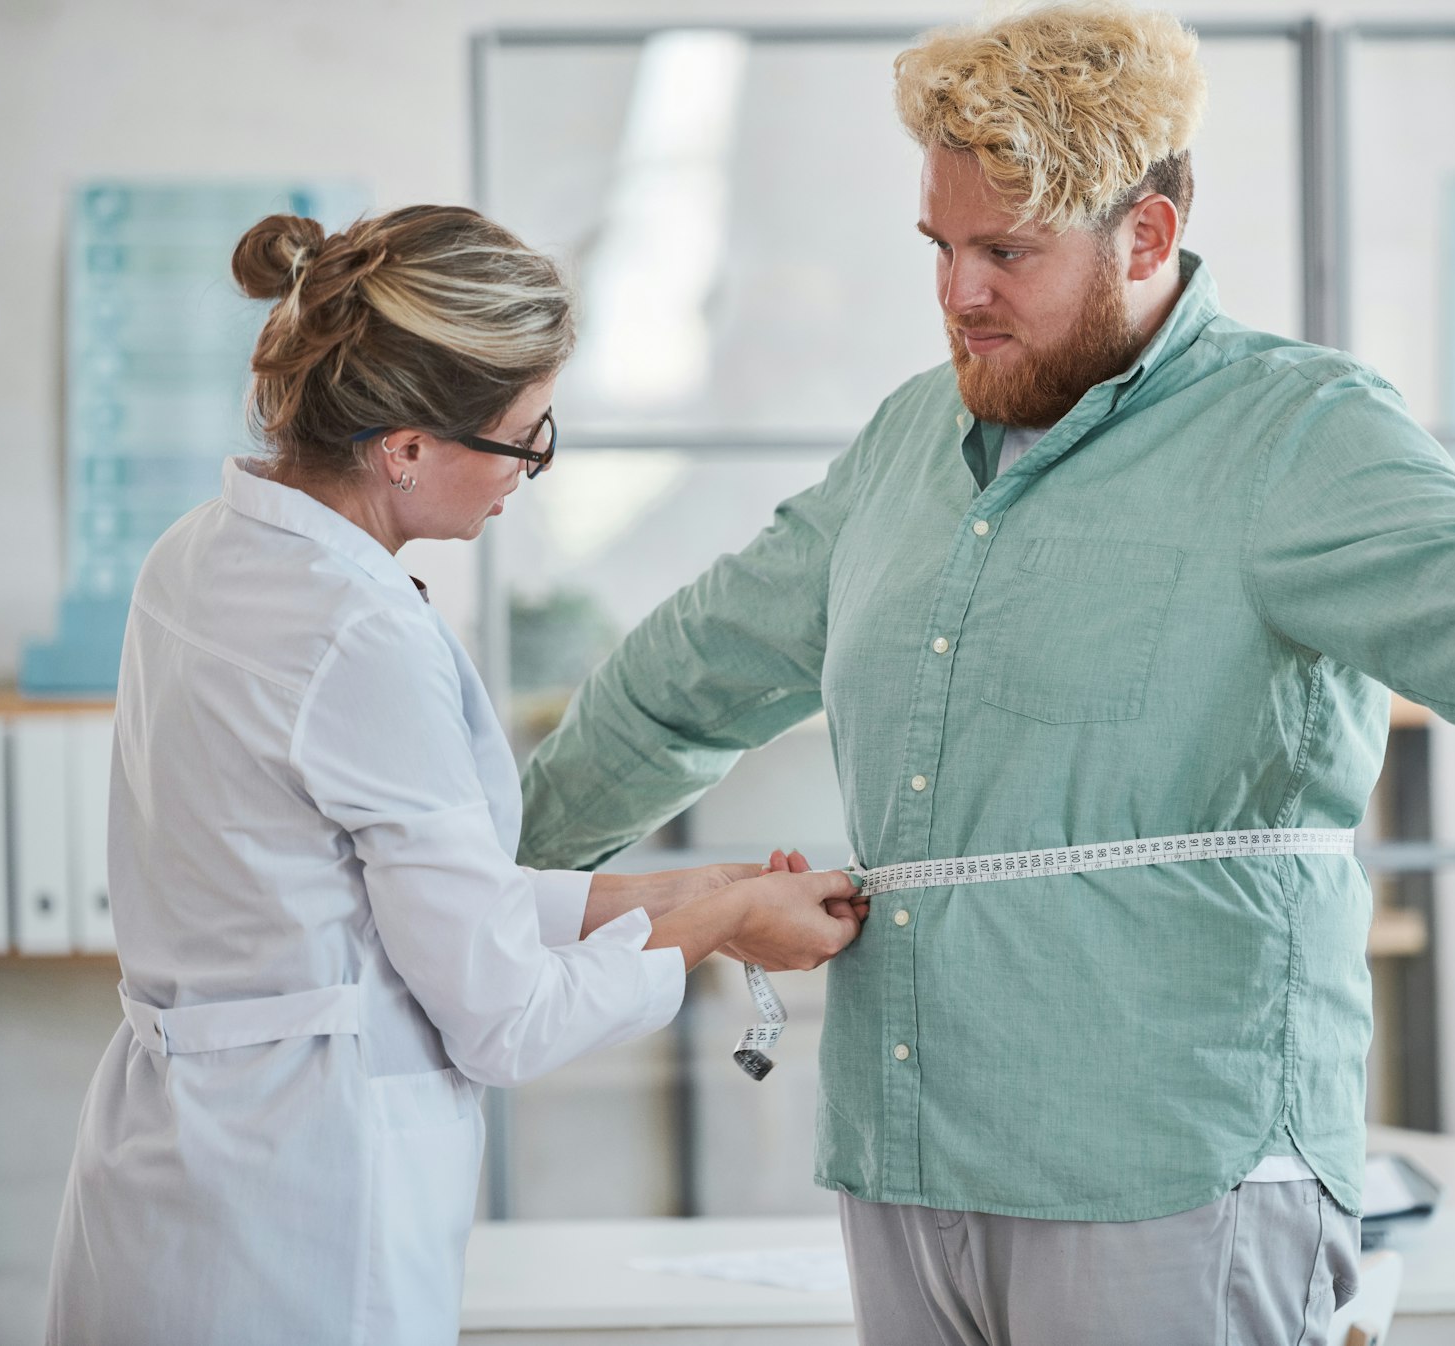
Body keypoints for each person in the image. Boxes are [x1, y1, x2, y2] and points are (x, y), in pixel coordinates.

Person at [516, 7, 1455, 1343]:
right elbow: (684, 677)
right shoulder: (906, 444)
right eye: (938, 246)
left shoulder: (1291, 434)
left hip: (1175, 1161)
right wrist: (472, 874)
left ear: (1150, 233)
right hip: (908, 1152)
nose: (957, 293)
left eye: (1005, 252)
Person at [44, 205, 865, 1346]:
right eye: (522, 437)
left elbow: (395, 898)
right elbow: (504, 1019)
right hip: (303, 1212)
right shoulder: (356, 634)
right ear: (406, 447)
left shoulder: (200, 554)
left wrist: (699, 895)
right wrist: (720, 915)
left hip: (169, 1171)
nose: (529, 469)